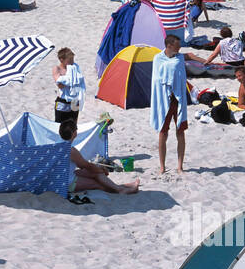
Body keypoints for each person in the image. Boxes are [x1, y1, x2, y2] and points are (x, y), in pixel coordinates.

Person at [60, 119, 140, 194]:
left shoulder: (58, 145)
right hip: (67, 183)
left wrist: (98, 170)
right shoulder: (71, 150)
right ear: (74, 133)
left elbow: (85, 166)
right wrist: (100, 170)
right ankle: (121, 190)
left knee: (95, 173)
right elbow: (85, 166)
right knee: (96, 183)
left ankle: (121, 187)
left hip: (62, 177)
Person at [148, 33, 189, 173]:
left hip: (178, 99)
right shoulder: (158, 58)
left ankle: (180, 166)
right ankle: (162, 166)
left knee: (180, 132)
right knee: (163, 133)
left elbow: (180, 75)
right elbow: (157, 79)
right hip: (164, 99)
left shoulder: (179, 58)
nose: (180, 47)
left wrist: (206, 60)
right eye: (178, 45)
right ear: (169, 45)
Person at [52, 48, 85, 128]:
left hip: (74, 100)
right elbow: (60, 85)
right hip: (62, 102)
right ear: (61, 59)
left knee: (73, 126)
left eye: (73, 59)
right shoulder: (57, 69)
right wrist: (72, 80)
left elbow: (80, 80)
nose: (72, 61)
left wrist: (70, 81)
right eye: (70, 59)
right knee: (59, 126)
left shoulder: (74, 67)